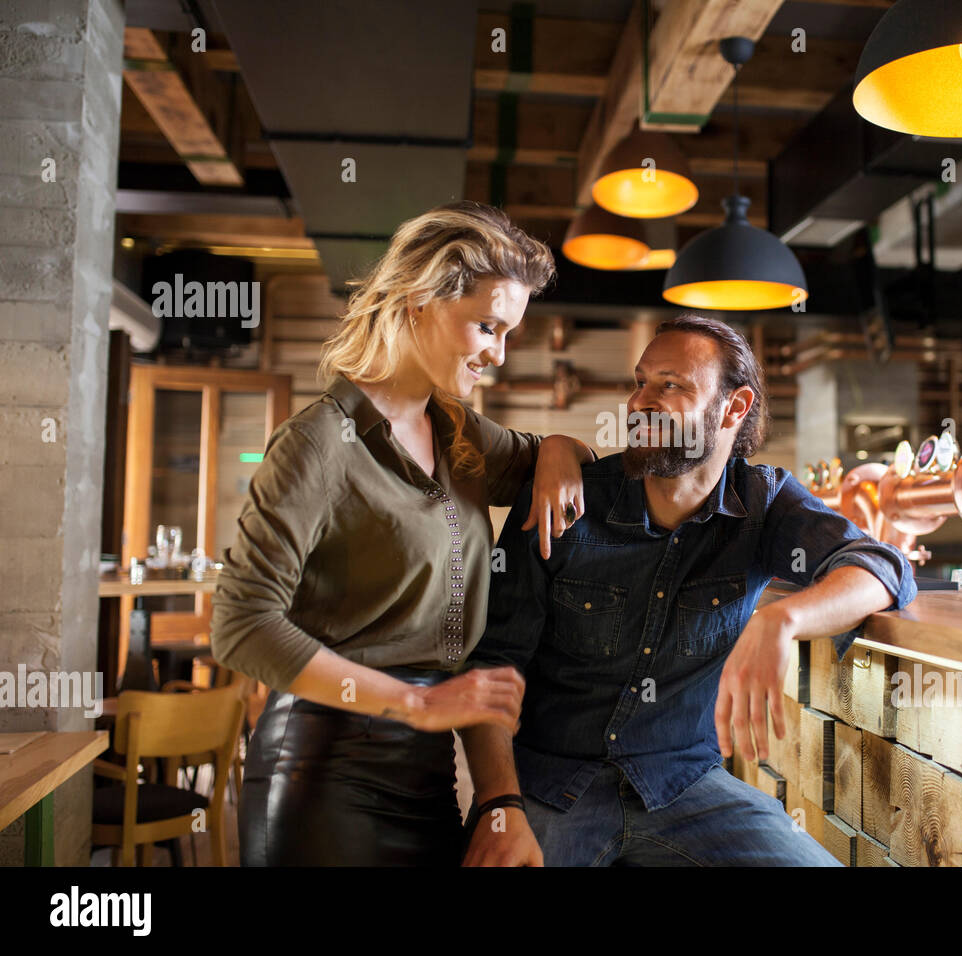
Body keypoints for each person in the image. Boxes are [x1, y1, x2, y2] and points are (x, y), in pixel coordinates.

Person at [209, 201, 594, 866]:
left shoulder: (461, 436)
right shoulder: (319, 442)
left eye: (508, 335)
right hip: (323, 767)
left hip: (427, 771)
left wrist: (558, 446)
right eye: (486, 326)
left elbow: (570, 463)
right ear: (419, 300)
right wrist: (415, 703)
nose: (497, 354)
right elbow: (240, 625)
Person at [461, 314, 917, 866]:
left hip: (687, 787)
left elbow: (881, 566)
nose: (641, 402)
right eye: (640, 382)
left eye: (671, 385)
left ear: (735, 406)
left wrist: (782, 620)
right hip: (549, 787)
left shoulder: (764, 501)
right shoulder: (566, 503)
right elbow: (490, 667)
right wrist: (497, 806)